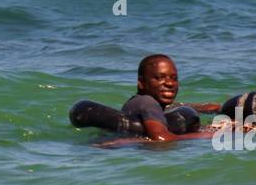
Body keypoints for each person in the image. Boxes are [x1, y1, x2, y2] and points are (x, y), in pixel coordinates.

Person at [69, 54, 202, 141]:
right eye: (159, 78)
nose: (169, 83)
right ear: (141, 83)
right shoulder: (148, 103)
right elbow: (161, 139)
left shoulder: (135, 103)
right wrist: (204, 136)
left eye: (174, 78)